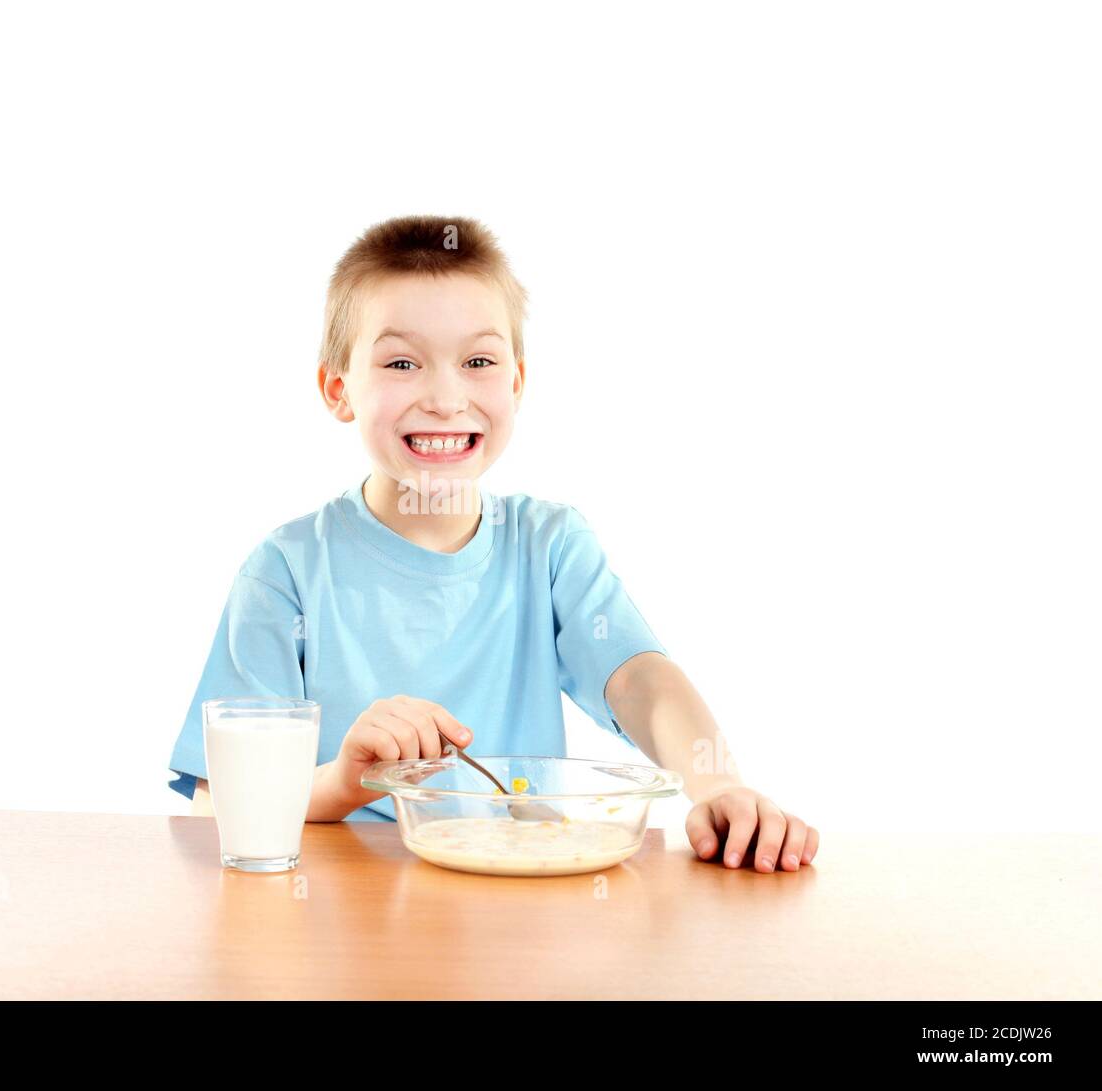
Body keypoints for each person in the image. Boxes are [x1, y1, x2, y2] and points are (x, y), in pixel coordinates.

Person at [166, 214, 819, 873]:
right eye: (401, 362)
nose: (447, 398)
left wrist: (718, 784)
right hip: (340, 927)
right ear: (339, 390)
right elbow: (218, 812)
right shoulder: (285, 573)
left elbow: (641, 679)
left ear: (517, 381)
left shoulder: (551, 546)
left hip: (519, 916)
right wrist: (343, 778)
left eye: (478, 361)